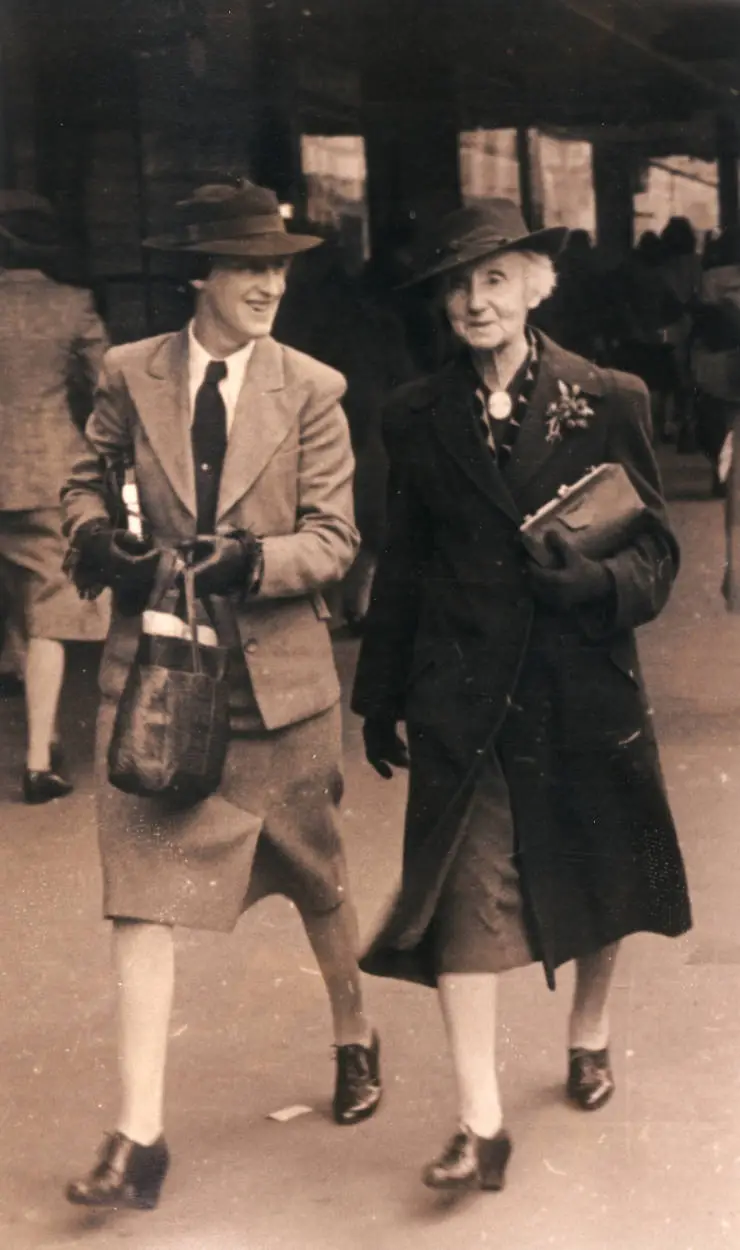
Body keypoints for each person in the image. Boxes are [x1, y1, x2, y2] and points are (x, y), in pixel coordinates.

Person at [351, 200, 692, 1194]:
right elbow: (403, 562)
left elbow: (655, 553)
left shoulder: (609, 397)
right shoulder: (415, 414)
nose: (474, 300)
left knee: (600, 872)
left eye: (494, 278)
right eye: (457, 285)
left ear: (537, 286)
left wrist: (595, 583)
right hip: (463, 697)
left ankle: (587, 1031)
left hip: (580, 686)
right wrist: (379, 694)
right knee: (460, 898)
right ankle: (479, 1124)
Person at [61, 180, 381, 1212]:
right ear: (198, 274)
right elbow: (85, 478)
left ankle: (354, 1031)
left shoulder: (313, 390)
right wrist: (92, 536)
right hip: (155, 680)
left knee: (316, 876)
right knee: (138, 899)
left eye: (278, 266)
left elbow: (334, 539)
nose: (268, 284)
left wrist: (253, 560)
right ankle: (137, 1137)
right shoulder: (128, 372)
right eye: (247, 265)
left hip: (276, 689)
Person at [0, 190, 109, 801]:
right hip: (47, 474)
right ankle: (39, 760)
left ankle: (45, 735)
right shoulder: (72, 304)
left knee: (17, 608)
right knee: (48, 611)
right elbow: (109, 384)